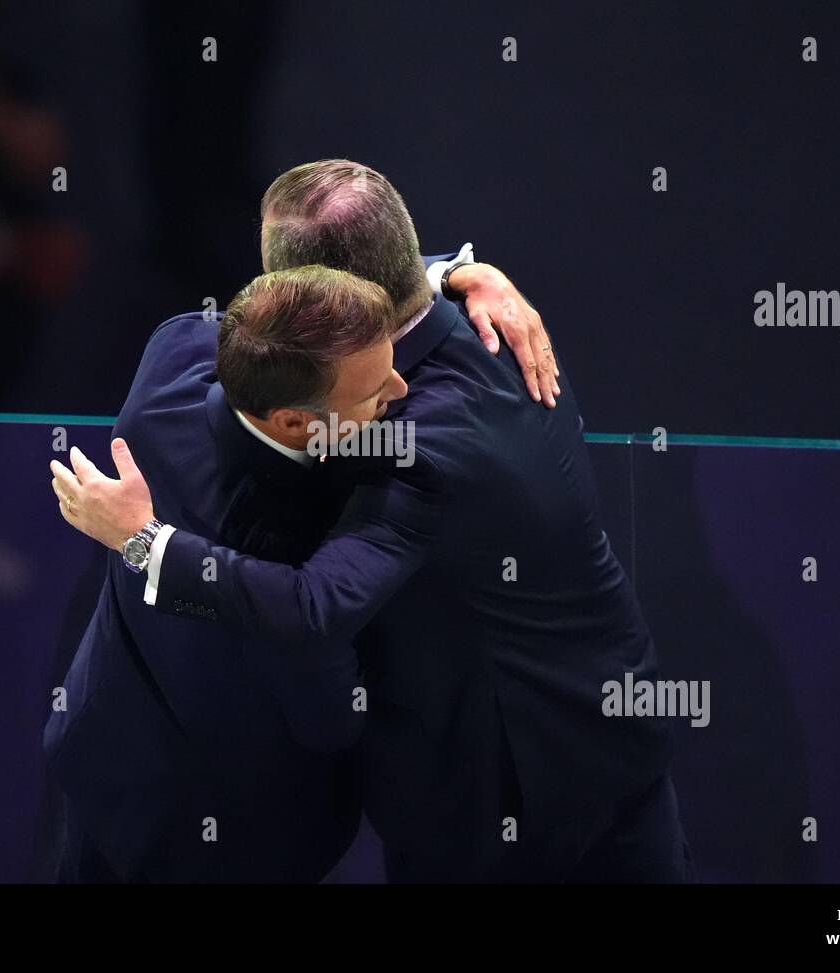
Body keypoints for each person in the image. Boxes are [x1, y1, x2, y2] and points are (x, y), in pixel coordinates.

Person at [54, 160, 695, 883]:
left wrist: (142, 541)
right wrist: (457, 269)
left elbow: (312, 607)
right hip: (611, 743)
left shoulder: (399, 443)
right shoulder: (490, 329)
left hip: (510, 804)